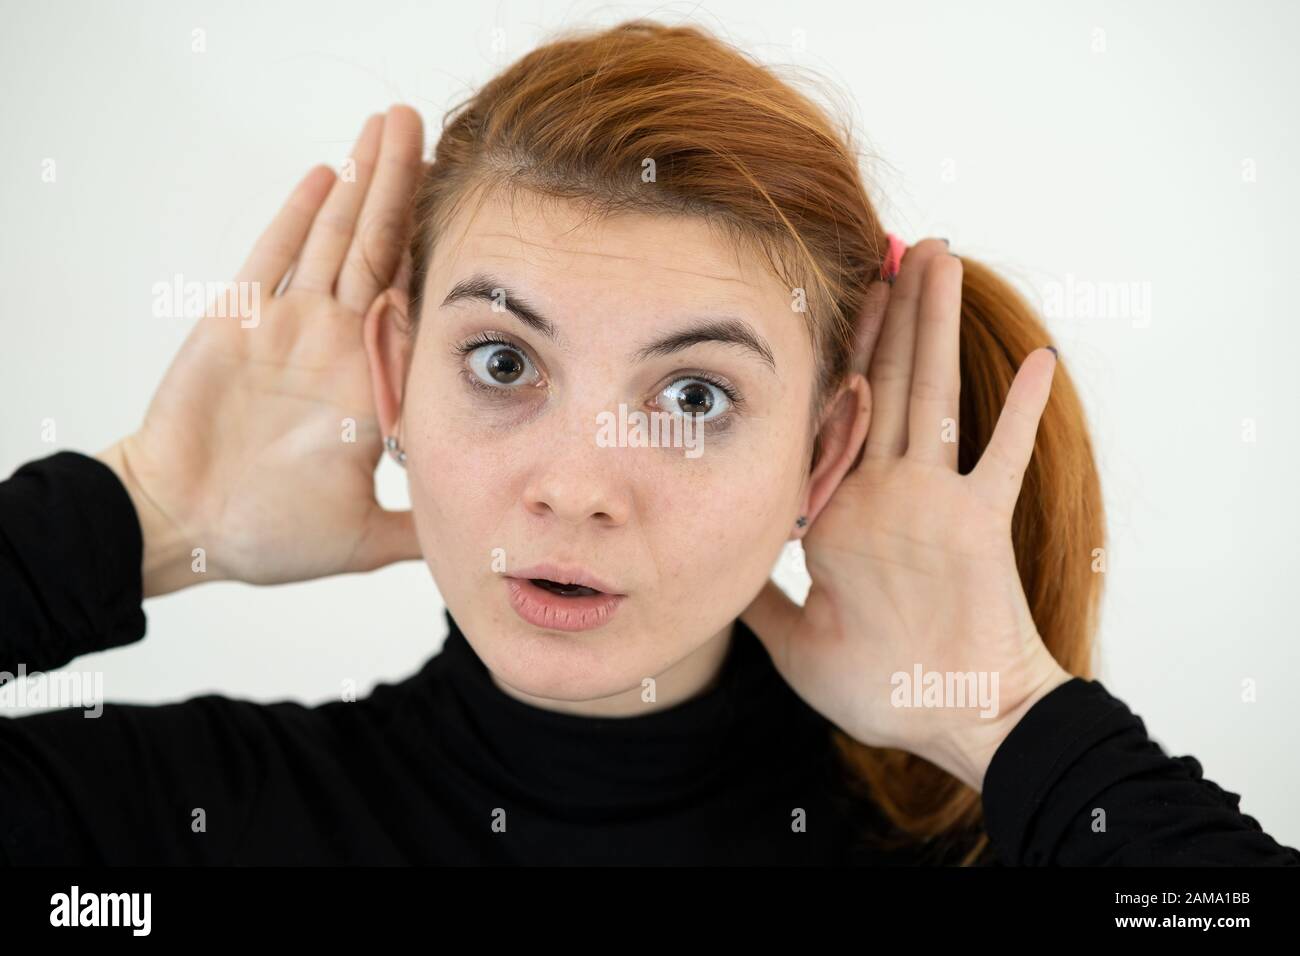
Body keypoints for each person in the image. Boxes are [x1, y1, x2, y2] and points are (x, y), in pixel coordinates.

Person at [2, 19, 1295, 866]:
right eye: (503, 364)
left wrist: (1013, 719)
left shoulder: (985, 857)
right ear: (394, 376)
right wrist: (134, 516)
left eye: (693, 399)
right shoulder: (155, 837)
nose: (575, 487)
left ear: (825, 451)